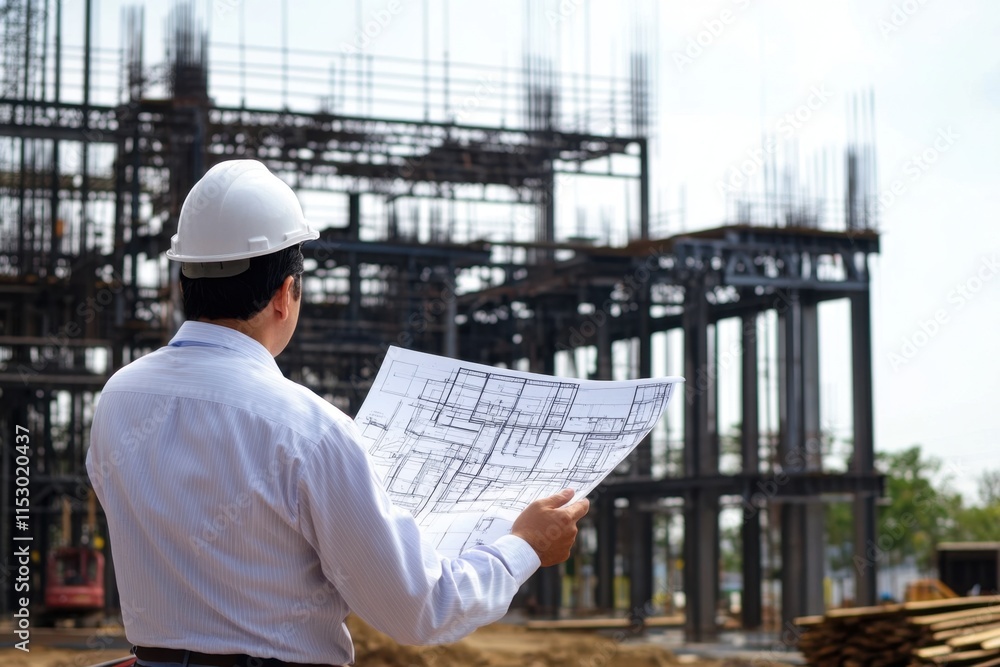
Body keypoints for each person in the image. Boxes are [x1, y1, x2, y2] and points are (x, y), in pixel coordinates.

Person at [87, 159, 589, 667]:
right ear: (286, 295)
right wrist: (524, 546)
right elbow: (422, 610)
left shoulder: (119, 400)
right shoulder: (310, 430)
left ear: (185, 281)